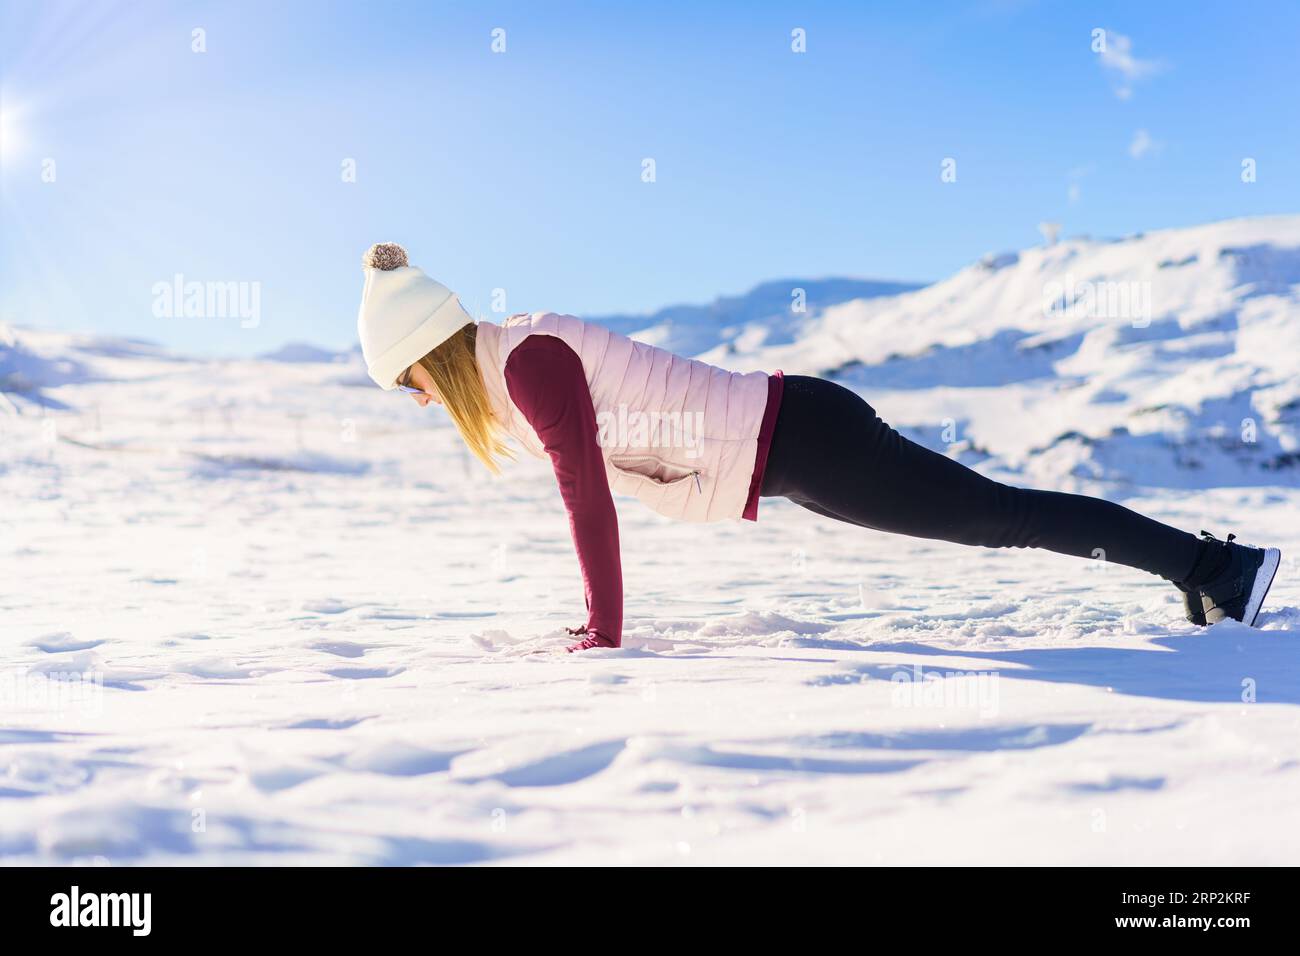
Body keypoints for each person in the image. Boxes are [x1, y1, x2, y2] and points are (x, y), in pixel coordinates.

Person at [355, 243, 1281, 652]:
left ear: (426, 356)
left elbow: (586, 495)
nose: (423, 400)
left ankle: (1217, 569)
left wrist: (604, 631)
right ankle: (1203, 568)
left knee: (997, 517)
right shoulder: (520, 361)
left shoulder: (525, 364)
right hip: (792, 453)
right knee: (994, 517)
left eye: (412, 383)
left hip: (802, 436)